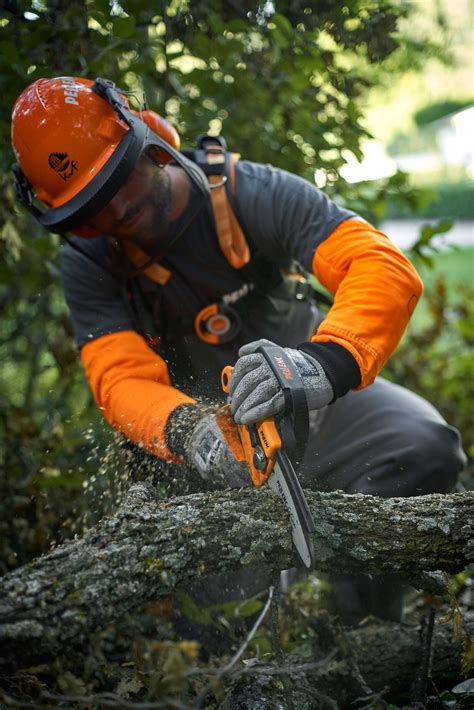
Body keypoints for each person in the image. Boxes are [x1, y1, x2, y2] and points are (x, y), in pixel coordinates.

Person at [11, 76, 466, 629]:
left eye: (119, 179)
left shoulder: (248, 192)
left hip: (314, 405)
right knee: (217, 609)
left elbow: (379, 266)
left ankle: (359, 633)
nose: (115, 209)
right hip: (206, 453)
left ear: (148, 141)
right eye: (90, 207)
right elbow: (119, 378)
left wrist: (320, 362)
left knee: (423, 445)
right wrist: (188, 430)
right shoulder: (90, 259)